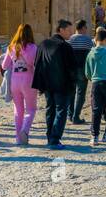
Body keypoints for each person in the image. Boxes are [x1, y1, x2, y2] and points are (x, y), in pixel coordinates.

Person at [32, 19, 78, 149]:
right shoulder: (65, 46)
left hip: (47, 84)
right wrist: (73, 83)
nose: (71, 33)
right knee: (61, 111)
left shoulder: (43, 44)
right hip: (62, 85)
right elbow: (72, 68)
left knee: (50, 110)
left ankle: (49, 137)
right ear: (61, 30)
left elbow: (37, 63)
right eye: (69, 30)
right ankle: (55, 138)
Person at [0, 24, 39, 145]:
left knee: (18, 110)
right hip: (28, 80)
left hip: (15, 81)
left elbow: (4, 66)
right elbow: (33, 63)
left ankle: (18, 137)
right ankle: (25, 130)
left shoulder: (11, 47)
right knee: (31, 109)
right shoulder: (33, 47)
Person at [67, 19, 94, 126]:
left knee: (71, 93)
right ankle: (76, 116)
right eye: (86, 27)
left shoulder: (70, 40)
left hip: (71, 69)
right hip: (83, 69)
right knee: (81, 94)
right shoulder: (88, 40)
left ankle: (70, 114)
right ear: (82, 28)